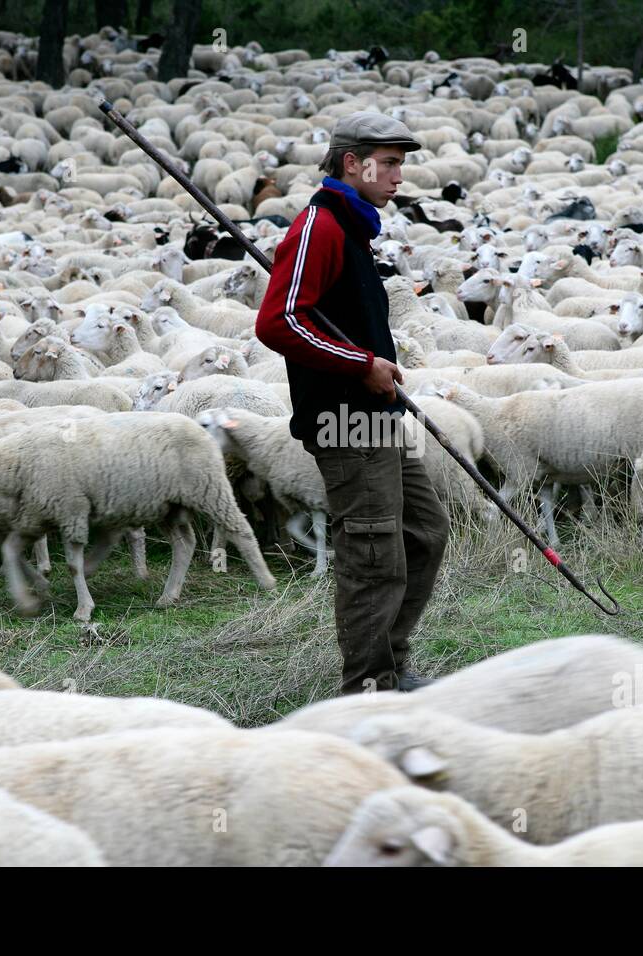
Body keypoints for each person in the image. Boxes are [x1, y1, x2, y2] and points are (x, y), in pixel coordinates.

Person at [255, 111, 450, 695]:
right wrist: (360, 365)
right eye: (389, 164)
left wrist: (371, 366)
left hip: (376, 415)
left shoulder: (353, 226)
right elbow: (278, 321)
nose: (398, 177)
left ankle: (390, 660)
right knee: (372, 551)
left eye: (399, 164)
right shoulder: (320, 226)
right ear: (352, 163)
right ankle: (368, 686)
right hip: (343, 420)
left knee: (424, 531)